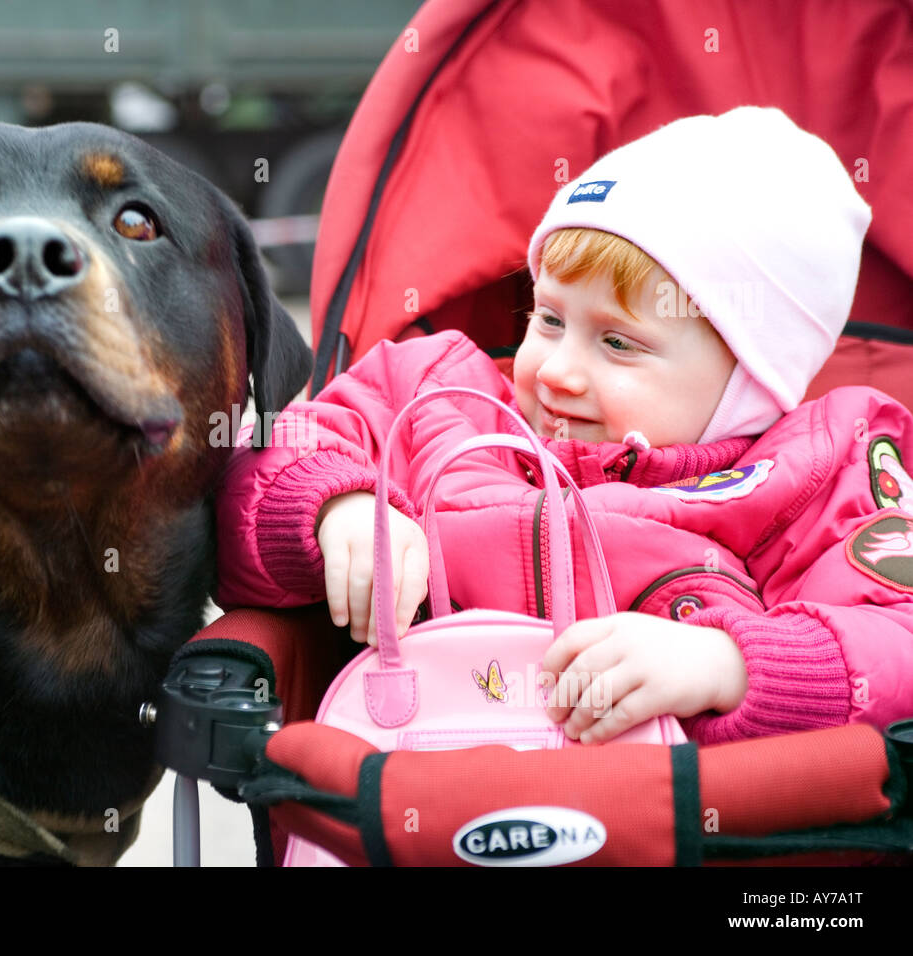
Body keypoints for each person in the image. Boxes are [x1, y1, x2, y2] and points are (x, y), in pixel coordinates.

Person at [213, 107, 913, 747]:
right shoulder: (440, 401)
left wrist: (728, 662)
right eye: (548, 320)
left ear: (750, 380)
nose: (555, 371)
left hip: (671, 823)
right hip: (422, 786)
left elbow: (896, 638)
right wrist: (339, 507)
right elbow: (268, 460)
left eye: (617, 343)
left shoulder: (816, 478)